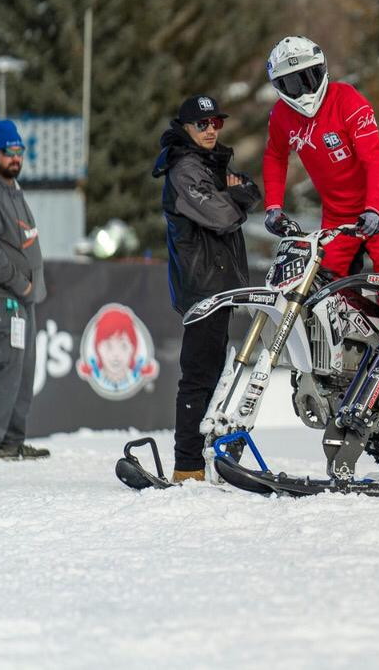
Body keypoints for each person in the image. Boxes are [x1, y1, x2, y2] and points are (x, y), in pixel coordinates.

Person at [261, 36, 379, 317]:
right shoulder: (281, 115)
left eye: (308, 79)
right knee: (323, 291)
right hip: (337, 215)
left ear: (322, 71)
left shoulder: (347, 99)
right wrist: (273, 206)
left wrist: (374, 209)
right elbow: (275, 156)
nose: (303, 90)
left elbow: (376, 160)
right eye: (293, 84)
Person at [153, 95, 260, 482]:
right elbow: (222, 216)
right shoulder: (185, 168)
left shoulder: (208, 164)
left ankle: (201, 461)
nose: (211, 129)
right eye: (202, 124)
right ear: (185, 128)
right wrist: (236, 196)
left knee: (213, 376)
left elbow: (250, 190)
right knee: (198, 378)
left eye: (216, 122)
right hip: (203, 288)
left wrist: (236, 193)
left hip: (218, 285)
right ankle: (187, 466)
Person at [0, 120, 48, 460]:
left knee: (24, 368)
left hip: (22, 297)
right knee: (4, 364)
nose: (15, 157)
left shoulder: (11, 187)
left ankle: (9, 440)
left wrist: (30, 287)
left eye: (19, 151)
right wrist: (20, 282)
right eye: (8, 152)